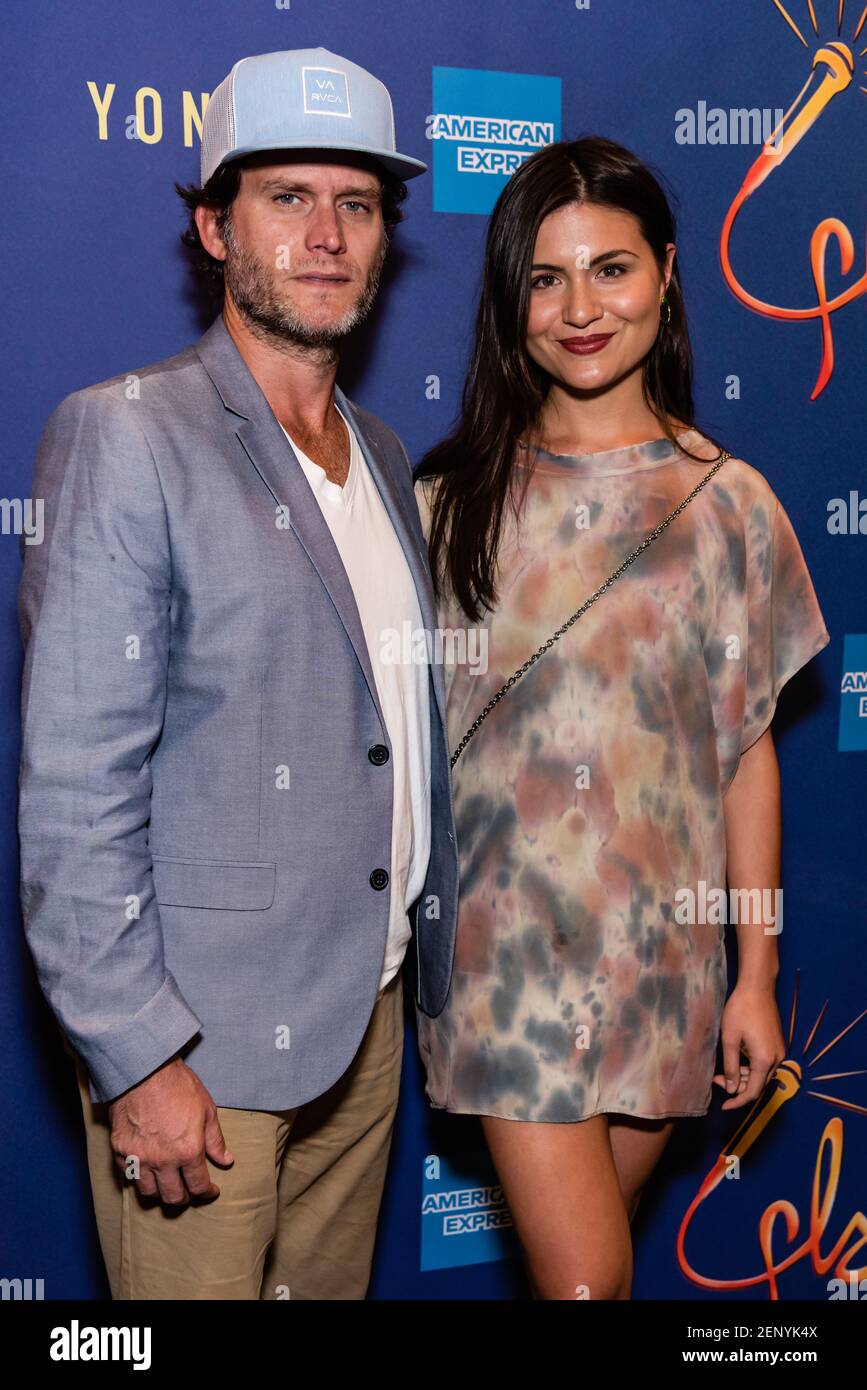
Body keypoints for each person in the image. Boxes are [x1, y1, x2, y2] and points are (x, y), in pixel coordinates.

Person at [17, 47, 457, 1300]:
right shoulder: (128, 433)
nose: (326, 235)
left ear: (383, 240)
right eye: (287, 198)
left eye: (358, 204)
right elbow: (73, 787)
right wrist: (138, 1055)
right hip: (198, 1055)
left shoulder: (380, 449)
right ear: (215, 226)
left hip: (365, 1029)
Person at [412, 136, 830, 1300]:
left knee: (592, 1262)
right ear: (511, 300)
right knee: (591, 1282)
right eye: (546, 278)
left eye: (611, 269)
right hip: (506, 969)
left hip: (662, 970)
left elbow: (746, 756)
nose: (580, 307)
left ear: (668, 274)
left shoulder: (731, 504)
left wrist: (756, 974)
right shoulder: (449, 504)